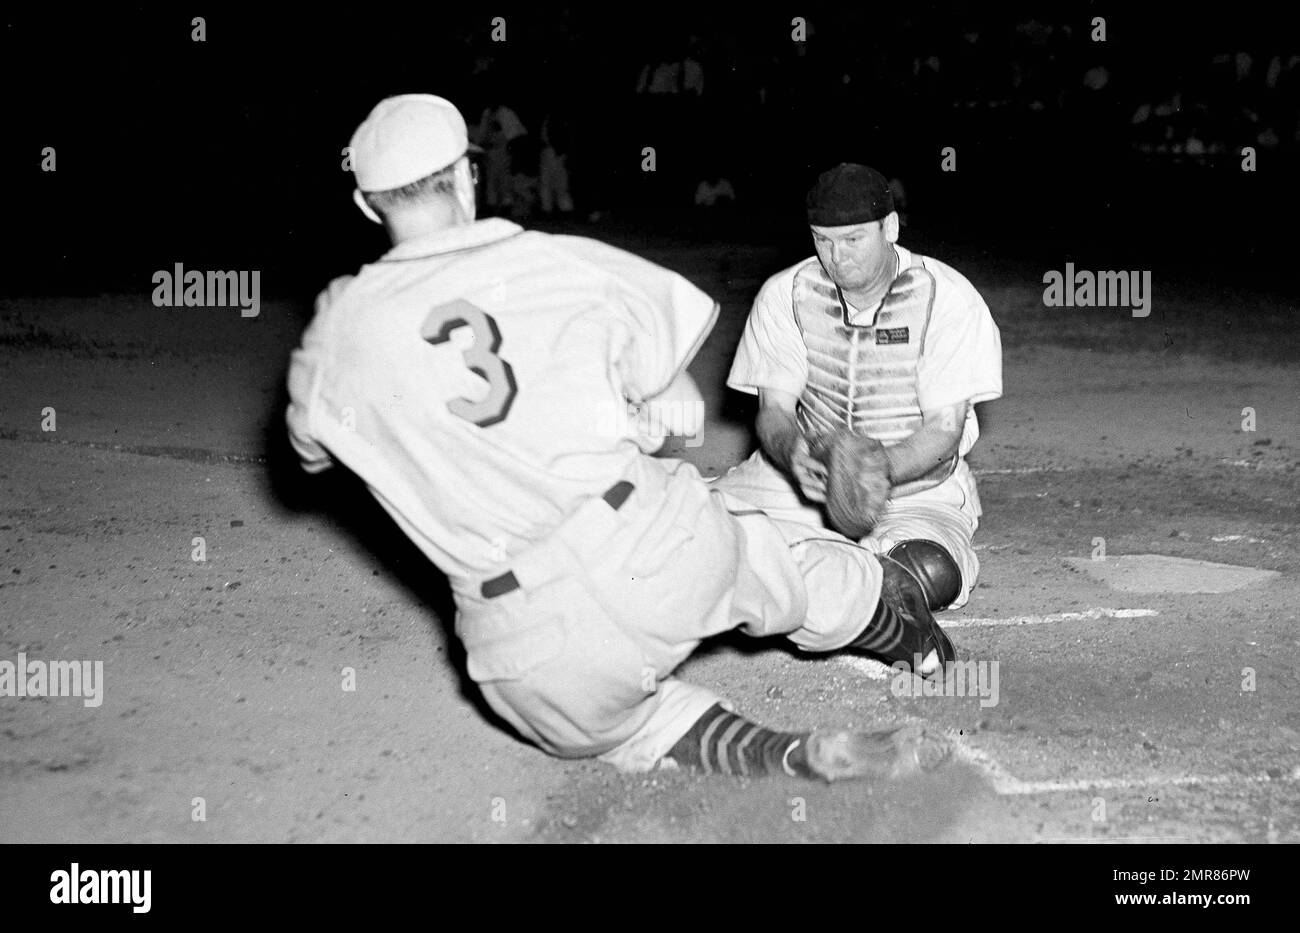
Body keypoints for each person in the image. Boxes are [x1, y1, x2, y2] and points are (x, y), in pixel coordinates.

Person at [287, 98, 953, 782]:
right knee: (775, 569)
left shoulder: (334, 334)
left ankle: (779, 753)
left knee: (616, 727)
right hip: (652, 547)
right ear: (465, 176)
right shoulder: (558, 260)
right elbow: (683, 415)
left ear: (369, 207)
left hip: (523, 632)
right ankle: (899, 626)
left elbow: (312, 451)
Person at [714, 163, 1003, 621]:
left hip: (914, 489)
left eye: (853, 240)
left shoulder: (946, 297)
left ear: (889, 227)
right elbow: (774, 410)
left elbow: (944, 430)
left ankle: (815, 562)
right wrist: (793, 454)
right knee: (686, 531)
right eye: (823, 240)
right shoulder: (785, 293)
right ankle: (820, 558)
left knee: (929, 573)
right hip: (801, 479)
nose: (837, 256)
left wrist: (870, 472)